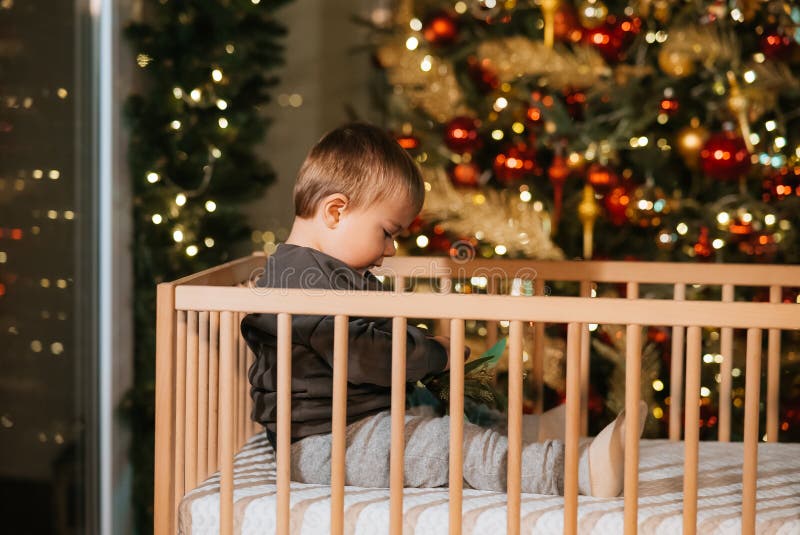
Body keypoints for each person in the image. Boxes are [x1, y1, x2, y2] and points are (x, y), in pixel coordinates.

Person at [240, 122, 645, 497]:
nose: (389, 250)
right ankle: (568, 472)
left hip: (353, 425)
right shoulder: (301, 280)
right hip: (323, 447)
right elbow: (364, 353)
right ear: (335, 211)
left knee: (441, 406)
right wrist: (433, 352)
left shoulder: (325, 273)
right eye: (387, 232)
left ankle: (530, 433)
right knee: (445, 444)